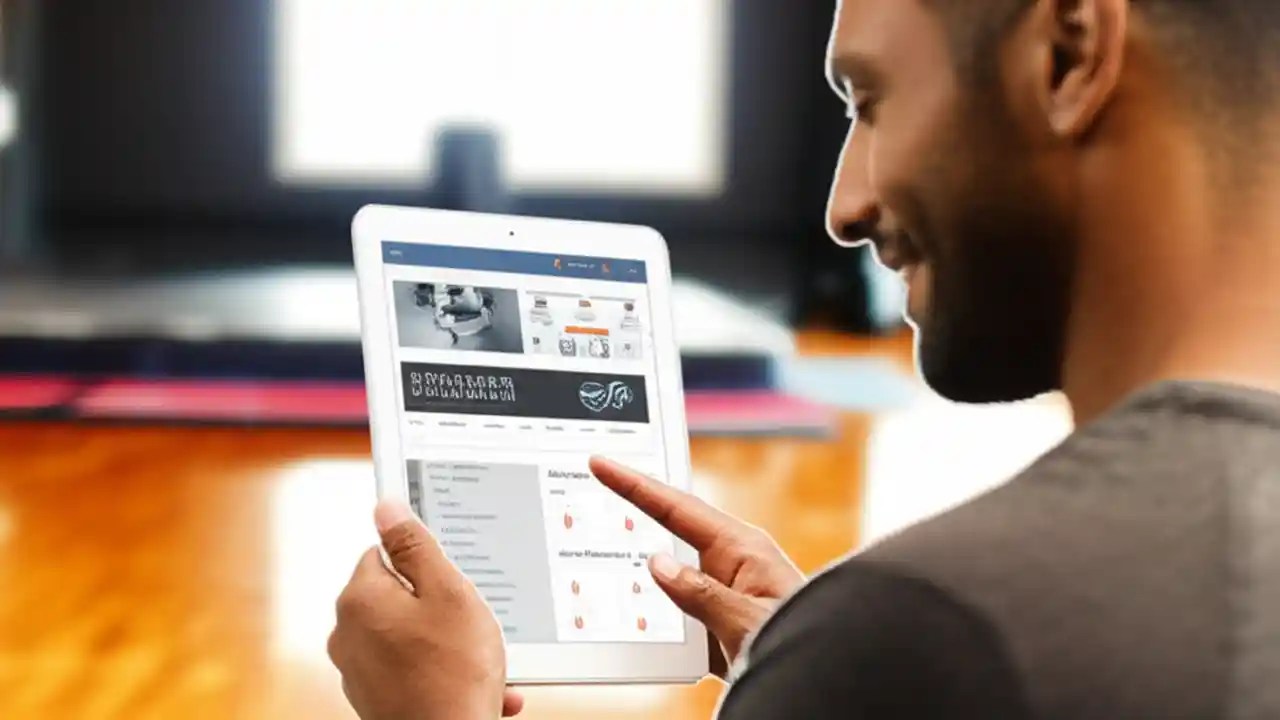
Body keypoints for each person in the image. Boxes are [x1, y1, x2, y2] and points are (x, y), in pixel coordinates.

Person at [327, 0, 1280, 717]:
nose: (844, 204)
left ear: (1069, 55)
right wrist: (801, 657)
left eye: (872, 100)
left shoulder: (929, 633)